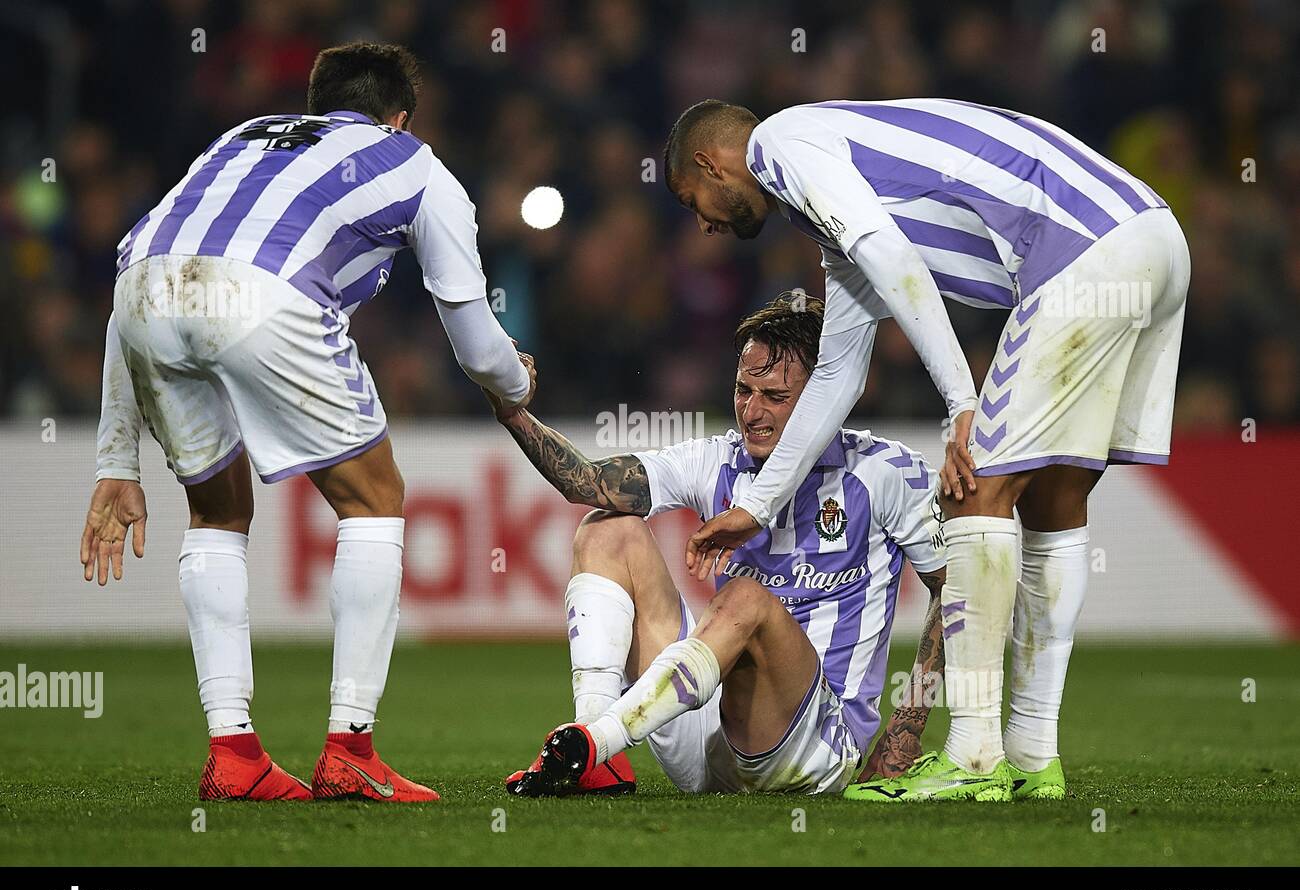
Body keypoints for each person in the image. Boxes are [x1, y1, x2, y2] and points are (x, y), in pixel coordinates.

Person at [664, 97, 1188, 800]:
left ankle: (973, 755)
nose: (702, 220)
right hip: (1151, 235)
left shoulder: (779, 145)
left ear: (709, 163)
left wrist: (960, 401)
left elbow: (889, 251)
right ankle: (1033, 758)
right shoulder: (830, 198)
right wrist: (756, 506)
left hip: (1081, 253)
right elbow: (838, 373)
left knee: (973, 491)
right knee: (1056, 498)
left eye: (691, 197)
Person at [79, 42, 535, 802]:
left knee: (217, 512)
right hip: (265, 298)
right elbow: (473, 338)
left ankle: (235, 756)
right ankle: (350, 746)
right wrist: (516, 381)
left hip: (140, 300)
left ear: (320, 103)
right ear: (399, 117)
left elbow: (143, 270)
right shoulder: (416, 164)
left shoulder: (243, 135)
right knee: (374, 499)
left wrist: (115, 463)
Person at [493, 294, 948, 797]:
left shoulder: (885, 472)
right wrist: (513, 411)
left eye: (774, 396)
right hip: (707, 726)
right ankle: (594, 748)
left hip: (816, 746)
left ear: (826, 398)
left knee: (747, 599)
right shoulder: (716, 460)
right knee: (607, 528)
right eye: (742, 390)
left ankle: (595, 741)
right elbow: (587, 483)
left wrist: (904, 735)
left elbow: (954, 591)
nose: (751, 412)